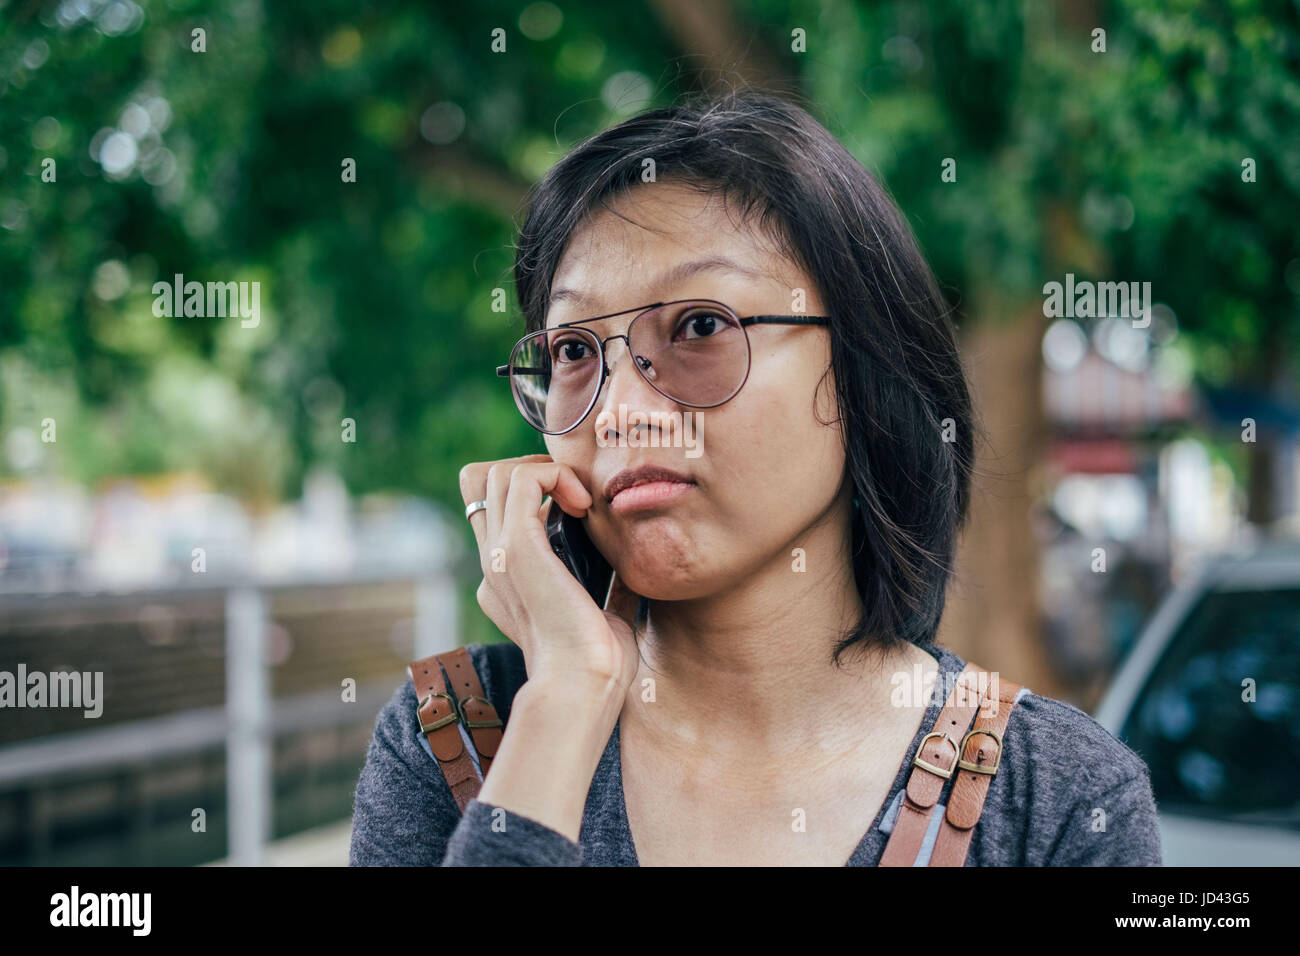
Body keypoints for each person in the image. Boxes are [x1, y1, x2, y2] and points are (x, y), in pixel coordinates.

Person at [349, 88, 1162, 866]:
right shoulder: (459, 743)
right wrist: (562, 708)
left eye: (700, 325)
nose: (623, 410)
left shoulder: (1057, 802)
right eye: (574, 350)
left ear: (860, 367)